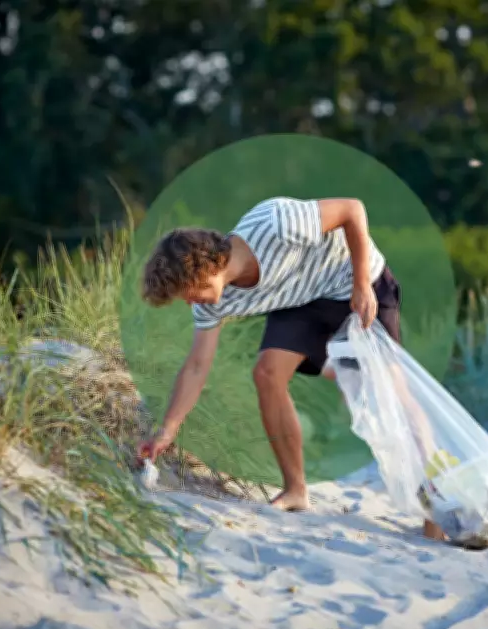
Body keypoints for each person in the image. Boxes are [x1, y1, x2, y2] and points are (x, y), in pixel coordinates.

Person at [136, 196, 446, 541]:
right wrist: (167, 430)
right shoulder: (213, 302)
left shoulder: (276, 224)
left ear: (207, 266)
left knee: (392, 393)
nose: (191, 302)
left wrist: (360, 284)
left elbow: (352, 210)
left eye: (190, 292)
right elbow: (196, 367)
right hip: (302, 300)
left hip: (356, 279)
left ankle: (437, 506)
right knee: (267, 373)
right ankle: (296, 489)